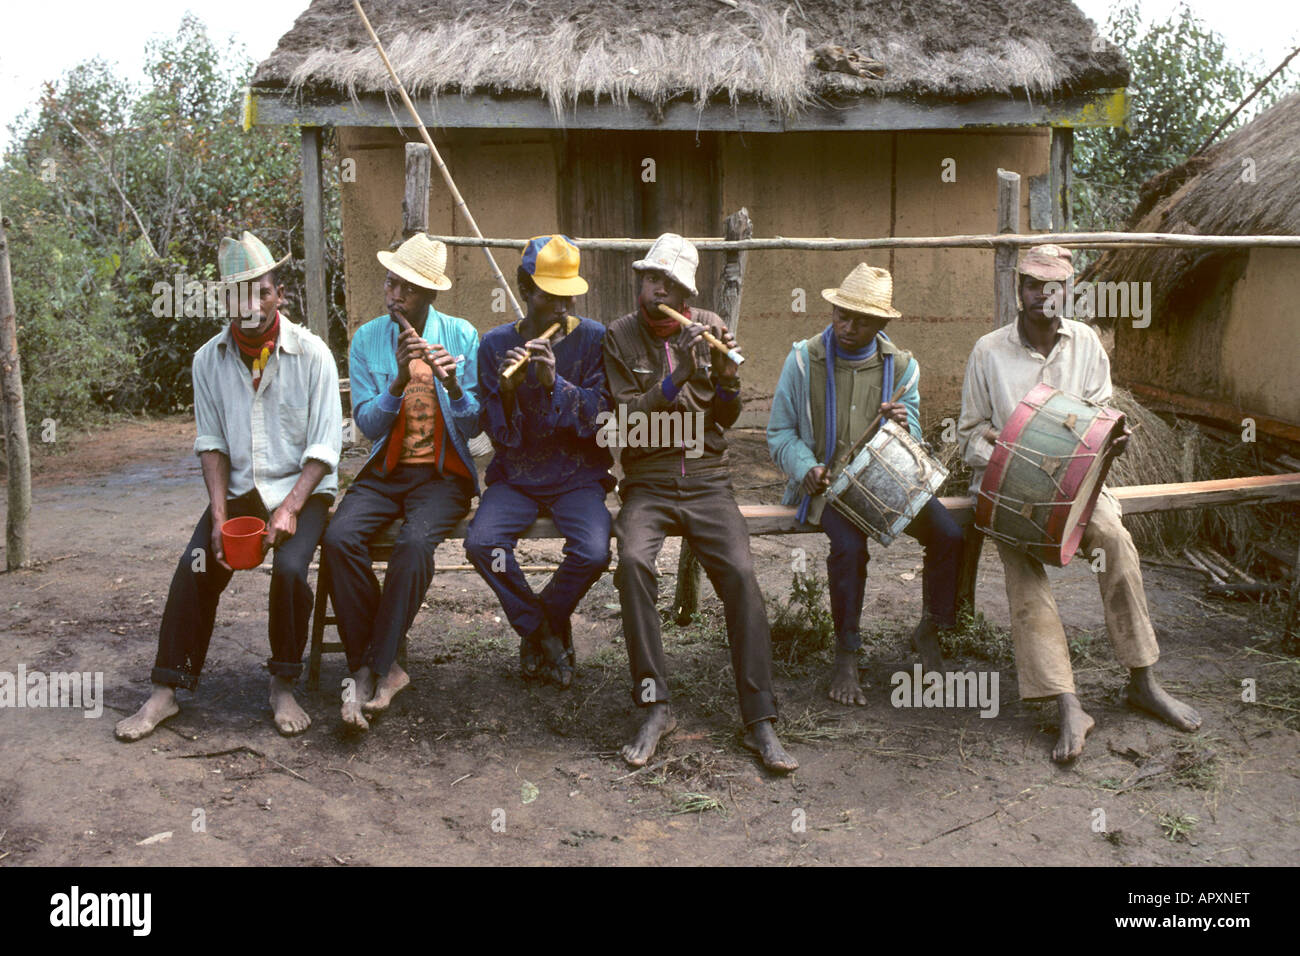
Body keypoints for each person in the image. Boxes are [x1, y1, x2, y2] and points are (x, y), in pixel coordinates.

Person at [957, 243, 1202, 762]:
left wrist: (1116, 438)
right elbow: (968, 435)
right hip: (1012, 491)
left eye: (1054, 287)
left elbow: (1103, 415)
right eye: (1031, 285)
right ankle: (1068, 702)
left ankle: (1143, 679)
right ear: (1017, 288)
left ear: (1067, 291)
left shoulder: (1087, 343)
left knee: (1115, 540)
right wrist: (1013, 451)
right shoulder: (987, 351)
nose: (1042, 295)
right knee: (1024, 571)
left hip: (1081, 487)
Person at [115, 232, 341, 741]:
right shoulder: (207, 361)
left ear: (278, 295)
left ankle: (282, 684)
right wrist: (218, 519)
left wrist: (288, 509)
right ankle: (165, 692)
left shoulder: (313, 355)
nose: (251, 305)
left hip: (303, 491)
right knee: (195, 566)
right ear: (225, 302)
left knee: (289, 570)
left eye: (261, 292)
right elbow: (212, 444)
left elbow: (326, 448)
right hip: (240, 493)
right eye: (238, 295)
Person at [604, 233, 797, 773]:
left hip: (710, 479)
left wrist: (729, 380)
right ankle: (654, 705)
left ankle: (759, 720)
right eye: (649, 278)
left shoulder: (707, 326)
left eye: (665, 282)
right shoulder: (619, 336)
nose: (654, 288)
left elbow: (726, 419)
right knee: (634, 564)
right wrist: (677, 378)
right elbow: (626, 421)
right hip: (649, 480)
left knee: (740, 571)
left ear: (685, 290)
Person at [768, 263, 963, 706]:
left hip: (884, 482)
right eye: (843, 315)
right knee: (850, 548)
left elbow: (911, 441)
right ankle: (846, 653)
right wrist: (807, 468)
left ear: (882, 325)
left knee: (950, 535)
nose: (848, 328)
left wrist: (902, 424)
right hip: (829, 488)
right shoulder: (803, 360)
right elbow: (779, 433)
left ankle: (929, 631)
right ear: (833, 310)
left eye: (862, 321)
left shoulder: (903, 368)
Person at [319, 234, 480, 731]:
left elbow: (474, 425)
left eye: (405, 289)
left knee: (414, 544)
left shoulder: (461, 336)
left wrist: (451, 385)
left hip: (442, 475)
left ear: (430, 296)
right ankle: (384, 666)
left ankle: (368, 670)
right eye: (390, 282)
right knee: (339, 538)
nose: (392, 296)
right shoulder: (367, 340)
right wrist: (395, 385)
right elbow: (367, 426)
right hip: (386, 471)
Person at [465, 236, 613, 687]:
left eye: (567, 297)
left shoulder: (593, 339)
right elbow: (498, 435)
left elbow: (601, 418)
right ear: (525, 291)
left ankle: (540, 625)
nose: (560, 308)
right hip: (518, 476)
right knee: (481, 544)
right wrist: (506, 394)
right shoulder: (495, 346)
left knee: (592, 552)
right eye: (549, 296)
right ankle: (545, 632)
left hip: (578, 475)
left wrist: (556, 385)